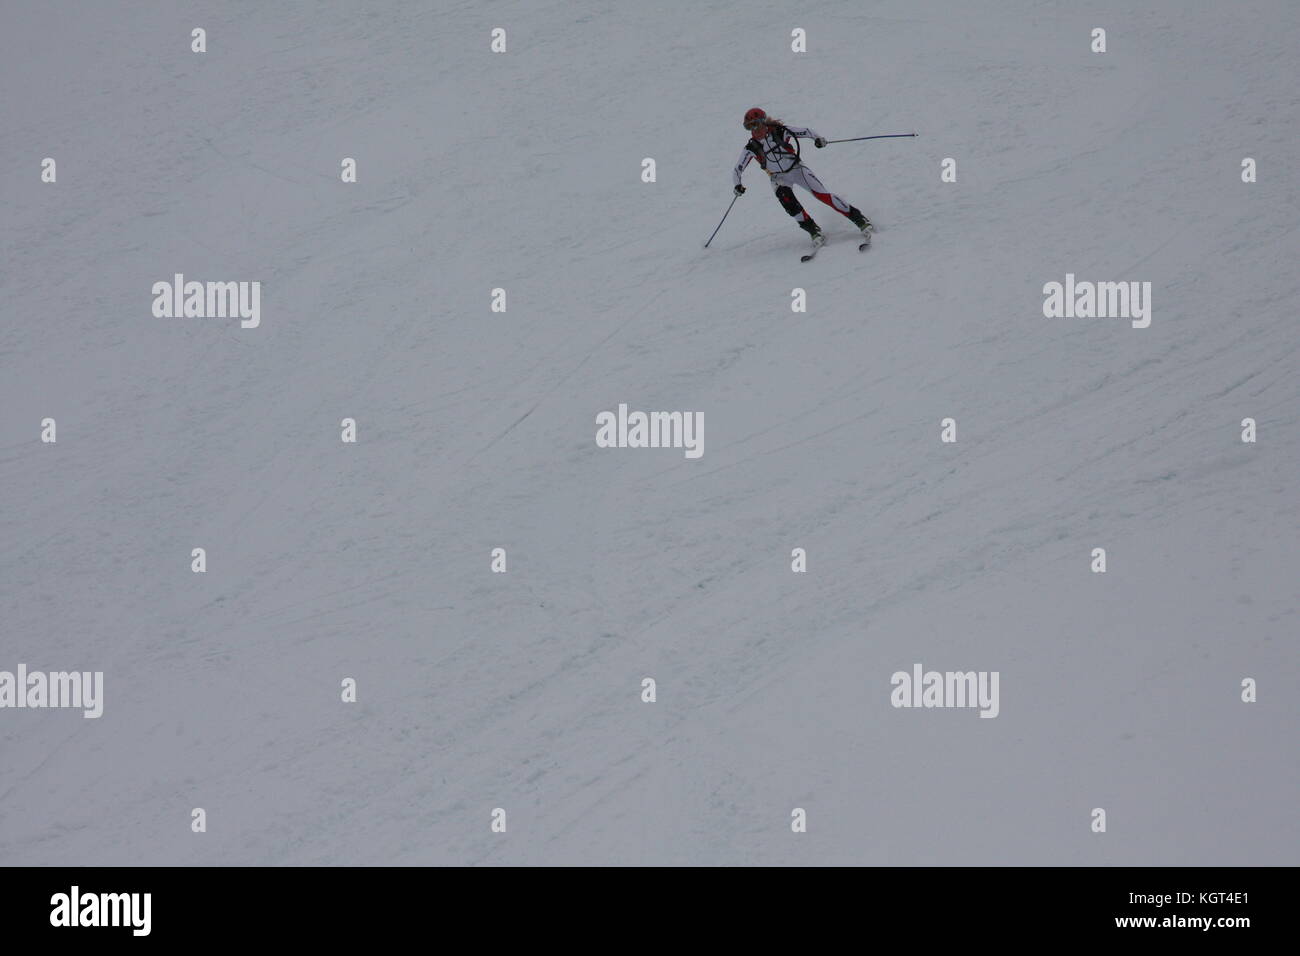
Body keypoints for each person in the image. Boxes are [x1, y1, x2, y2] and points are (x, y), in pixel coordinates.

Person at [732, 107, 872, 251]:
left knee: (822, 195)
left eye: (755, 125)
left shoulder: (780, 131)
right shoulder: (751, 147)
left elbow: (805, 131)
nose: (753, 130)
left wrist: (818, 139)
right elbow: (738, 169)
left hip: (797, 169)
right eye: (749, 127)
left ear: (763, 123)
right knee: (788, 203)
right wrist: (737, 185)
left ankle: (860, 220)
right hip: (778, 178)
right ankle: (814, 231)